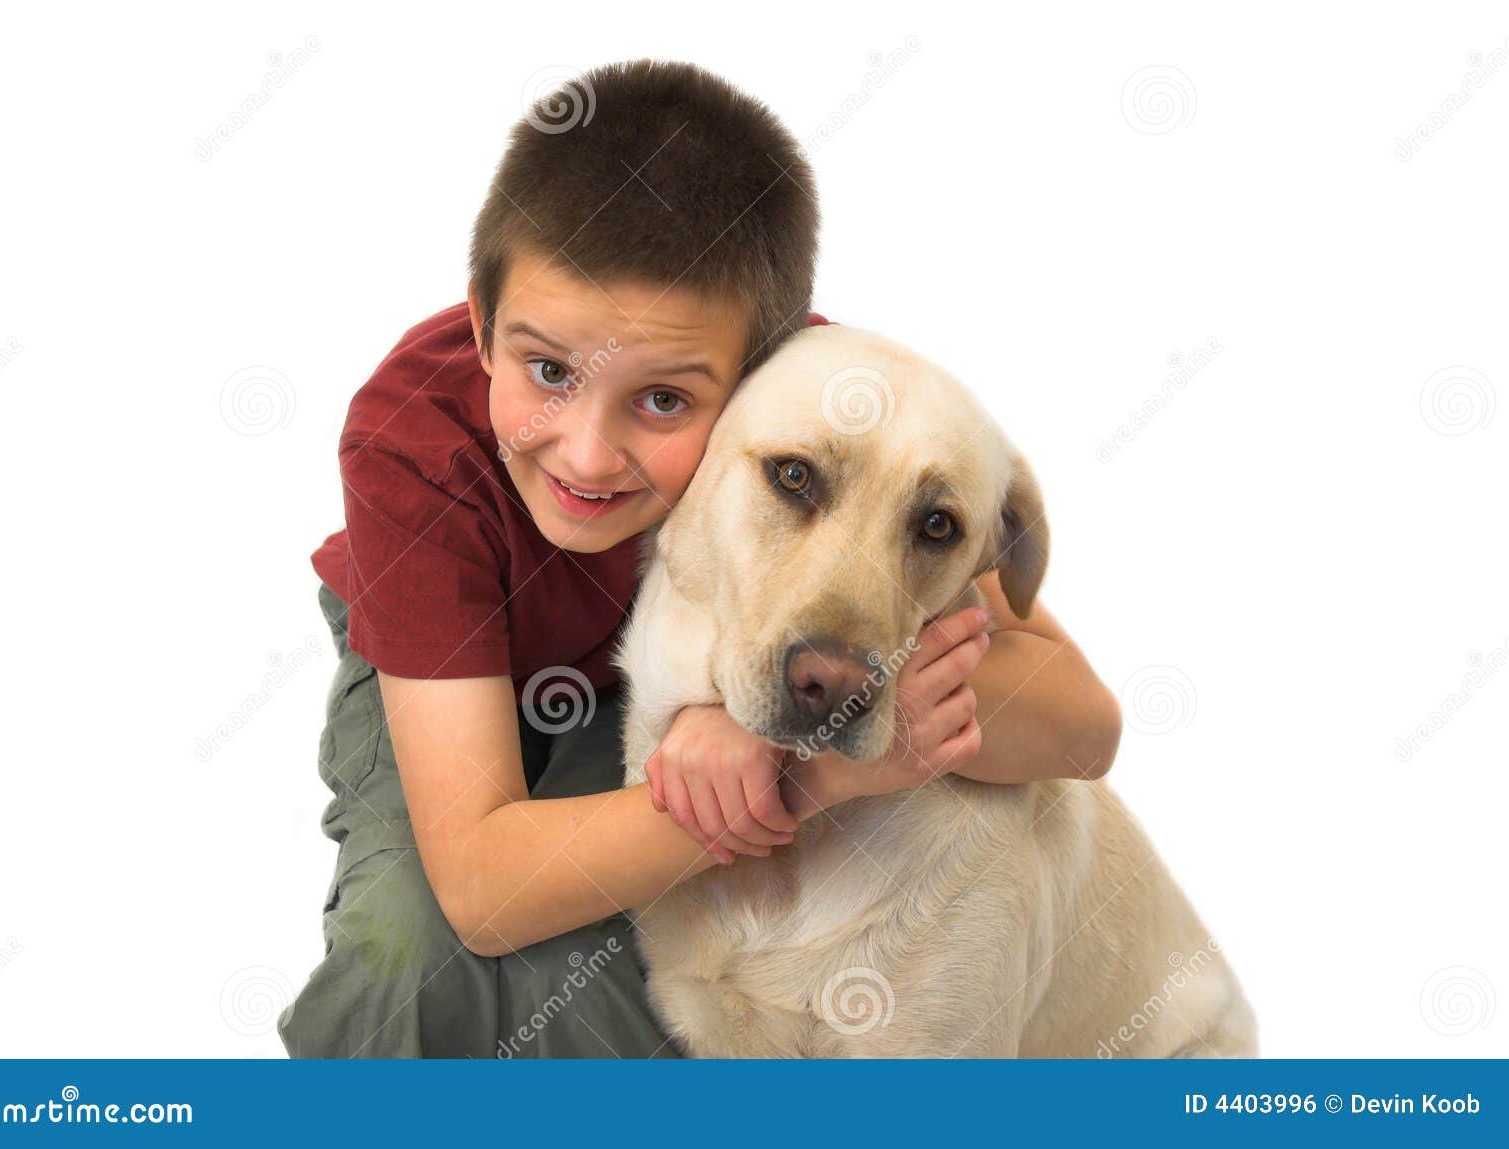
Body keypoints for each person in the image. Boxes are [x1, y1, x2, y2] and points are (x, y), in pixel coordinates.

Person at [279, 59, 1122, 1059]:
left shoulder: (813, 408)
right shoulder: (416, 442)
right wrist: (798, 771)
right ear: (481, 326)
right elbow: (484, 890)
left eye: (665, 400)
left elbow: (1079, 724)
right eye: (546, 370)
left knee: (634, 963)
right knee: (407, 955)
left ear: (760, 374)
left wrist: (821, 703)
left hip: (645, 672)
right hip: (459, 670)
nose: (585, 454)